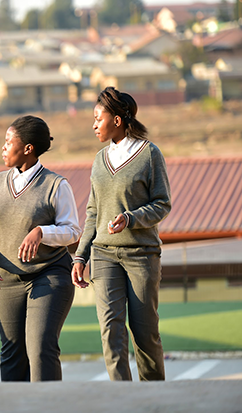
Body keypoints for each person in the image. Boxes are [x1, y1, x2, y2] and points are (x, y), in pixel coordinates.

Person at [71, 86, 171, 381]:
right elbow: (93, 212)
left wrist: (131, 218)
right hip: (104, 255)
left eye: (98, 118)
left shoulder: (150, 154)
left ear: (116, 119)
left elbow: (162, 204)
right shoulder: (99, 160)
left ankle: (154, 394)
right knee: (111, 330)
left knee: (145, 333)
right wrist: (80, 256)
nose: (93, 125)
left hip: (141, 255)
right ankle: (122, 397)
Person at [0, 115, 82, 382]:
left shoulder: (56, 185)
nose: (3, 147)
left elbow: (72, 231)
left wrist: (41, 232)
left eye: (9, 142)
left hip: (49, 275)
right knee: (12, 353)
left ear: (28, 148)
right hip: (5, 279)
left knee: (40, 348)